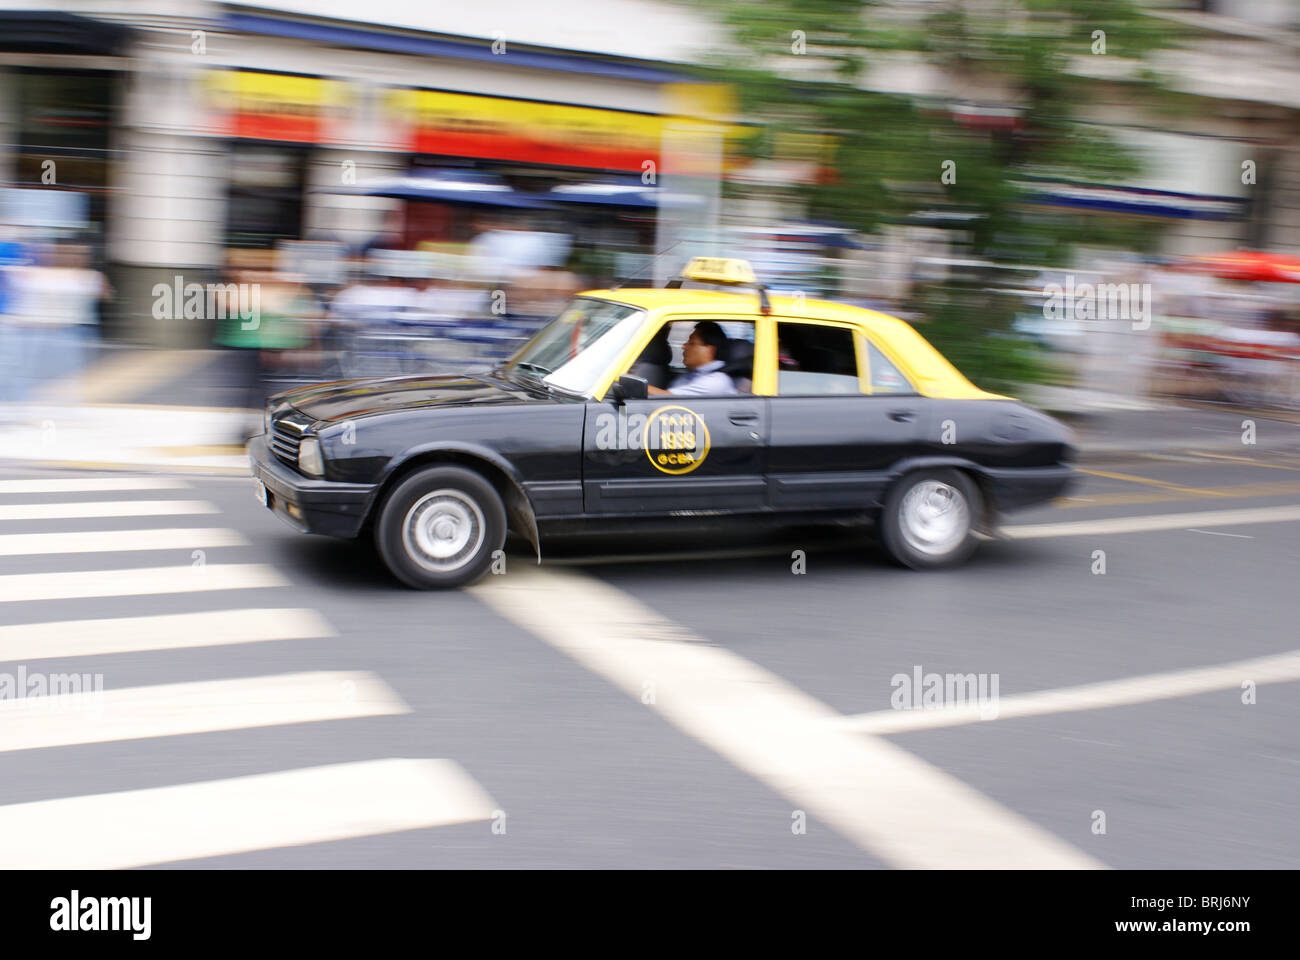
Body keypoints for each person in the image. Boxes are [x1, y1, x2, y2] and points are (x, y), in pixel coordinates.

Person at [647, 321, 736, 397]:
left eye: (692, 343)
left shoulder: (717, 382)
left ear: (709, 351)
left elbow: (668, 399)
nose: (684, 346)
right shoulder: (693, 375)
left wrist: (636, 386)